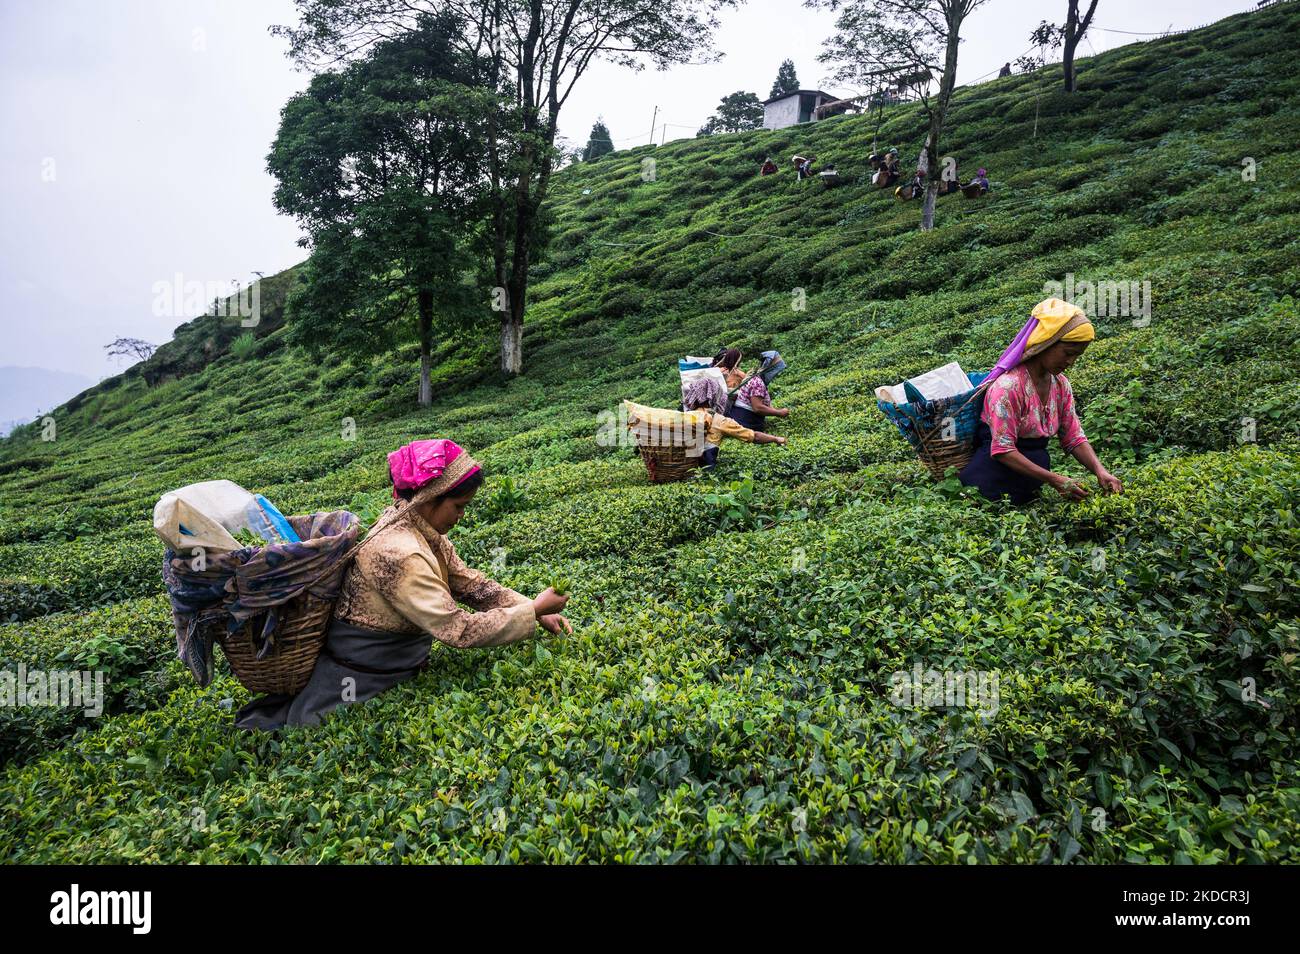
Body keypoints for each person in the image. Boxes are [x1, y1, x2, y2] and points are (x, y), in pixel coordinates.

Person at [235, 439, 572, 730]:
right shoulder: (399, 553)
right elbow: (459, 630)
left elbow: (472, 585)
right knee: (307, 725)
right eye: (458, 506)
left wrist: (531, 610)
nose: (461, 516)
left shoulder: (421, 529)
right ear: (430, 497)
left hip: (399, 663)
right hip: (364, 676)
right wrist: (532, 609)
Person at [958, 299, 1123, 505]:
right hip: (989, 488)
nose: (1070, 362)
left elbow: (1073, 436)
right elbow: (1003, 451)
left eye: (1077, 356)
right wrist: (1054, 480)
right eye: (1068, 353)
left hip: (1031, 486)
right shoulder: (1008, 387)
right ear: (1046, 343)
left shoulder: (1060, 385)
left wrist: (1100, 471)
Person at [682, 377, 785, 468]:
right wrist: (776, 439)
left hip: (679, 467)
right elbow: (754, 436)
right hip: (702, 469)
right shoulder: (720, 421)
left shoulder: (684, 416)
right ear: (716, 396)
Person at [728, 352, 790, 433]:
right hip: (745, 420)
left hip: (741, 416)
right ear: (771, 368)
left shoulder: (756, 377)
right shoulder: (757, 382)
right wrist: (779, 413)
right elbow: (757, 408)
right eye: (776, 370)